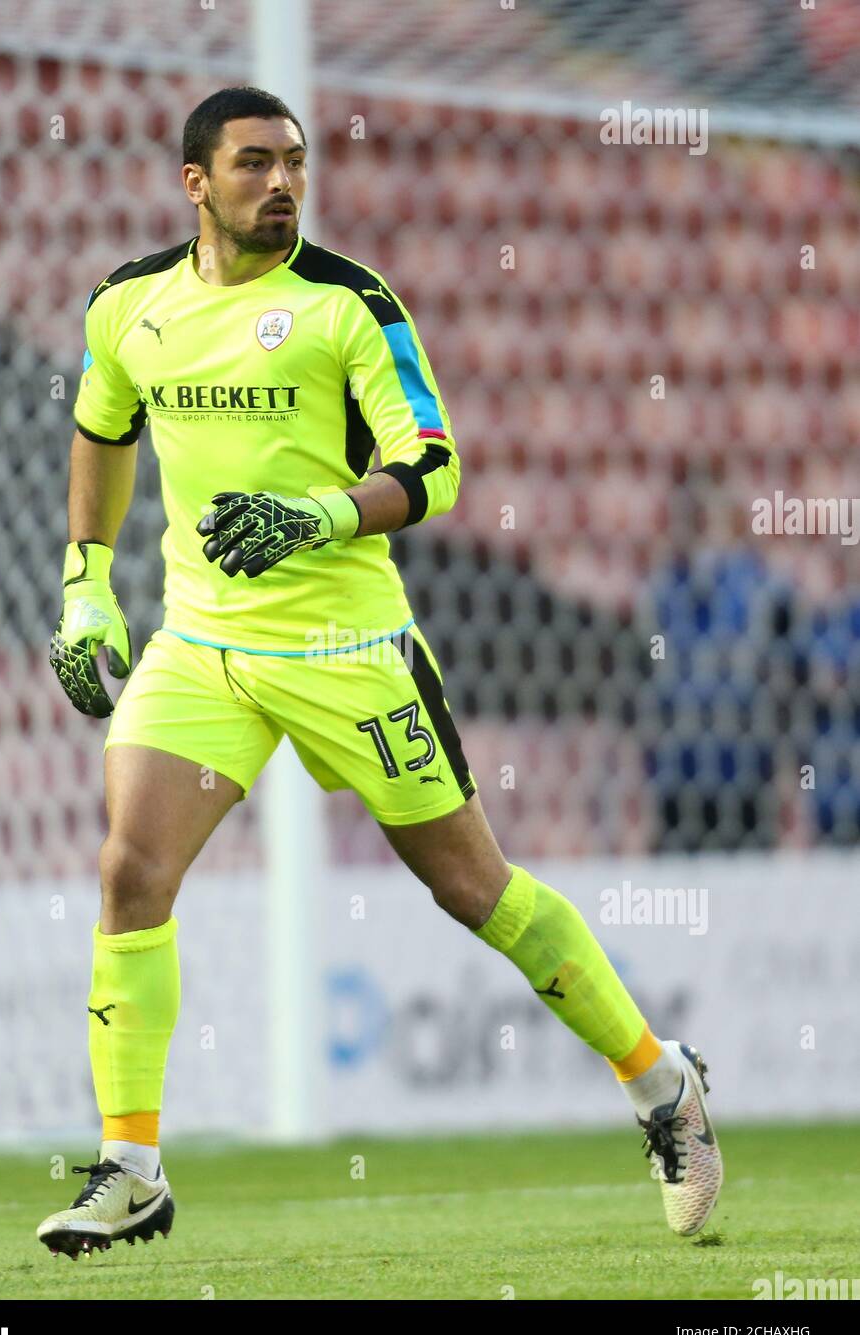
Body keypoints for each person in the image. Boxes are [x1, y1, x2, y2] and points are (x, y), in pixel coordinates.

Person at [41, 86, 721, 1258]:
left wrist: (316, 514)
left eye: (294, 162)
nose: (281, 183)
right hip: (202, 645)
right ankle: (131, 1168)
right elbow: (103, 432)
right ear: (194, 182)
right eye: (253, 163)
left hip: (349, 650)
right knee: (129, 871)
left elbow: (435, 464)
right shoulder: (127, 306)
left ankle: (662, 1084)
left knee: (473, 889)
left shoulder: (349, 304)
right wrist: (85, 580)